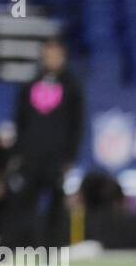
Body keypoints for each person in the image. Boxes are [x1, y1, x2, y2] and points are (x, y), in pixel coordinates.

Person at [9, 38, 85, 249]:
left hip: (57, 158)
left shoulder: (72, 86)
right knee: (21, 205)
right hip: (31, 157)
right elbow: (20, 120)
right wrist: (19, 152)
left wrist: (70, 156)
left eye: (56, 55)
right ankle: (7, 250)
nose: (52, 59)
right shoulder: (31, 84)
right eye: (48, 55)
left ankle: (52, 253)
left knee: (56, 208)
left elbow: (77, 123)